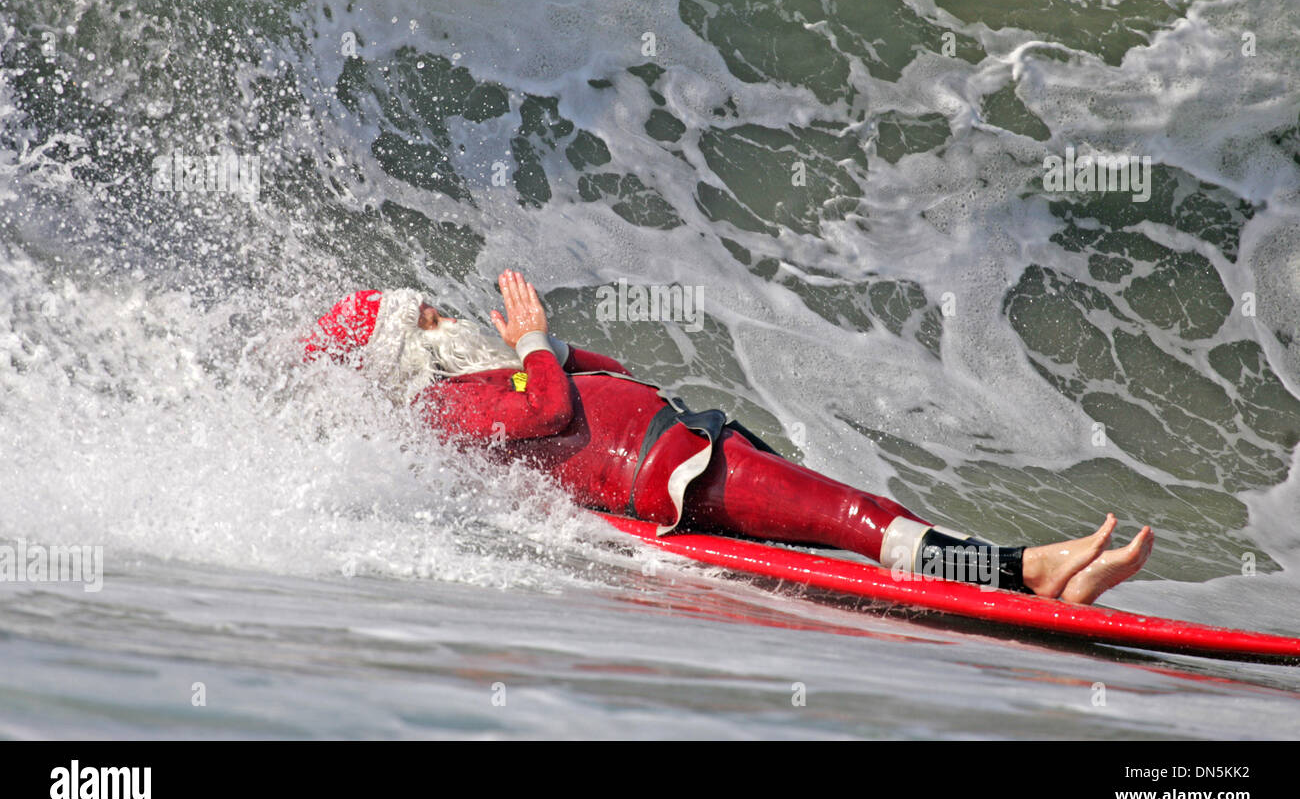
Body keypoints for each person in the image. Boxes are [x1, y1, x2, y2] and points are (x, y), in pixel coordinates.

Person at [300, 269, 1154, 603]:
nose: (447, 318)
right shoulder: (438, 409)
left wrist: (548, 347)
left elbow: (593, 377)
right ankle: (1030, 572)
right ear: (402, 349)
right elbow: (552, 414)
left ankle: (1026, 579)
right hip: (680, 478)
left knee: (857, 519)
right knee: (863, 520)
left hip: (694, 445)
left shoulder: (479, 376)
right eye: (429, 316)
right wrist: (529, 339)